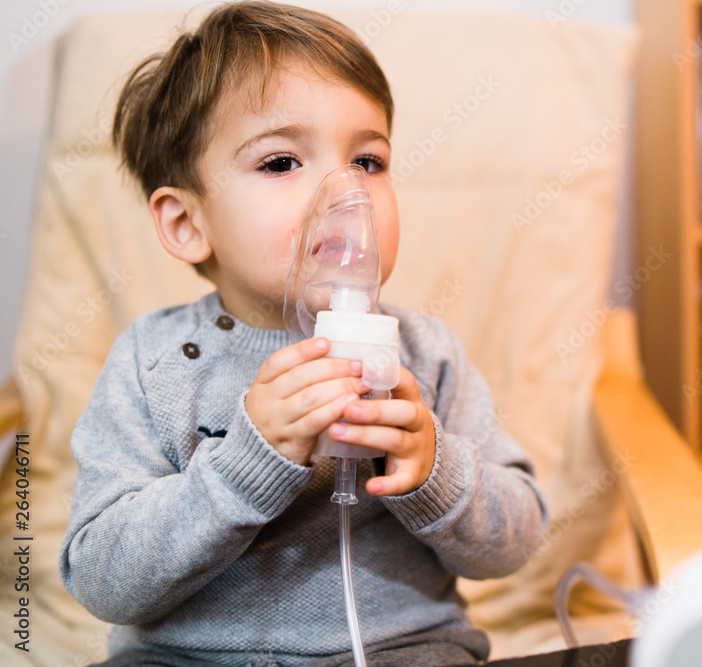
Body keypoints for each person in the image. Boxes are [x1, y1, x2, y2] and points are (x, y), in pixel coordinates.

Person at [58, 2, 547, 665]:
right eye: (283, 162)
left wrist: (434, 469)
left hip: (401, 648)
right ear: (186, 222)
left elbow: (517, 537)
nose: (345, 192)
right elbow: (101, 576)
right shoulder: (154, 364)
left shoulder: (425, 353)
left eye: (368, 162)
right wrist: (240, 469)